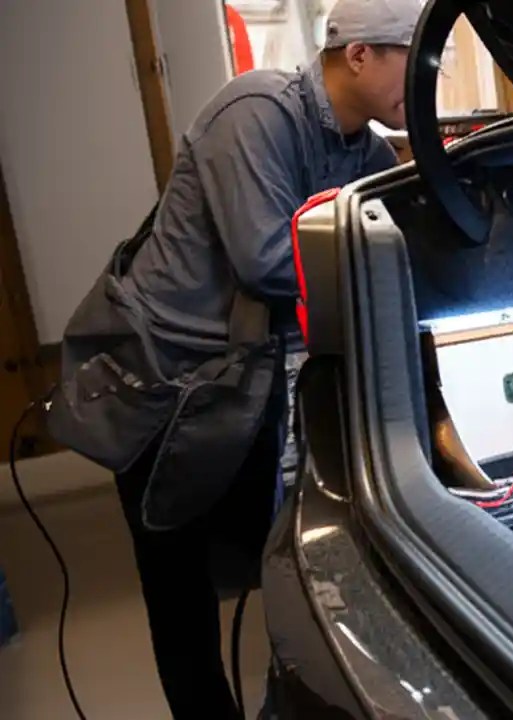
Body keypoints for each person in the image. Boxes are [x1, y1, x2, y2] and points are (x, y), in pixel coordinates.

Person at [101, 0, 420, 716]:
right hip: (164, 388)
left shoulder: (365, 156)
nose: (424, 78)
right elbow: (268, 260)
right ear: (360, 54)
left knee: (279, 559)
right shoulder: (255, 113)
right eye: (412, 56)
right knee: (179, 593)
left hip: (243, 390)